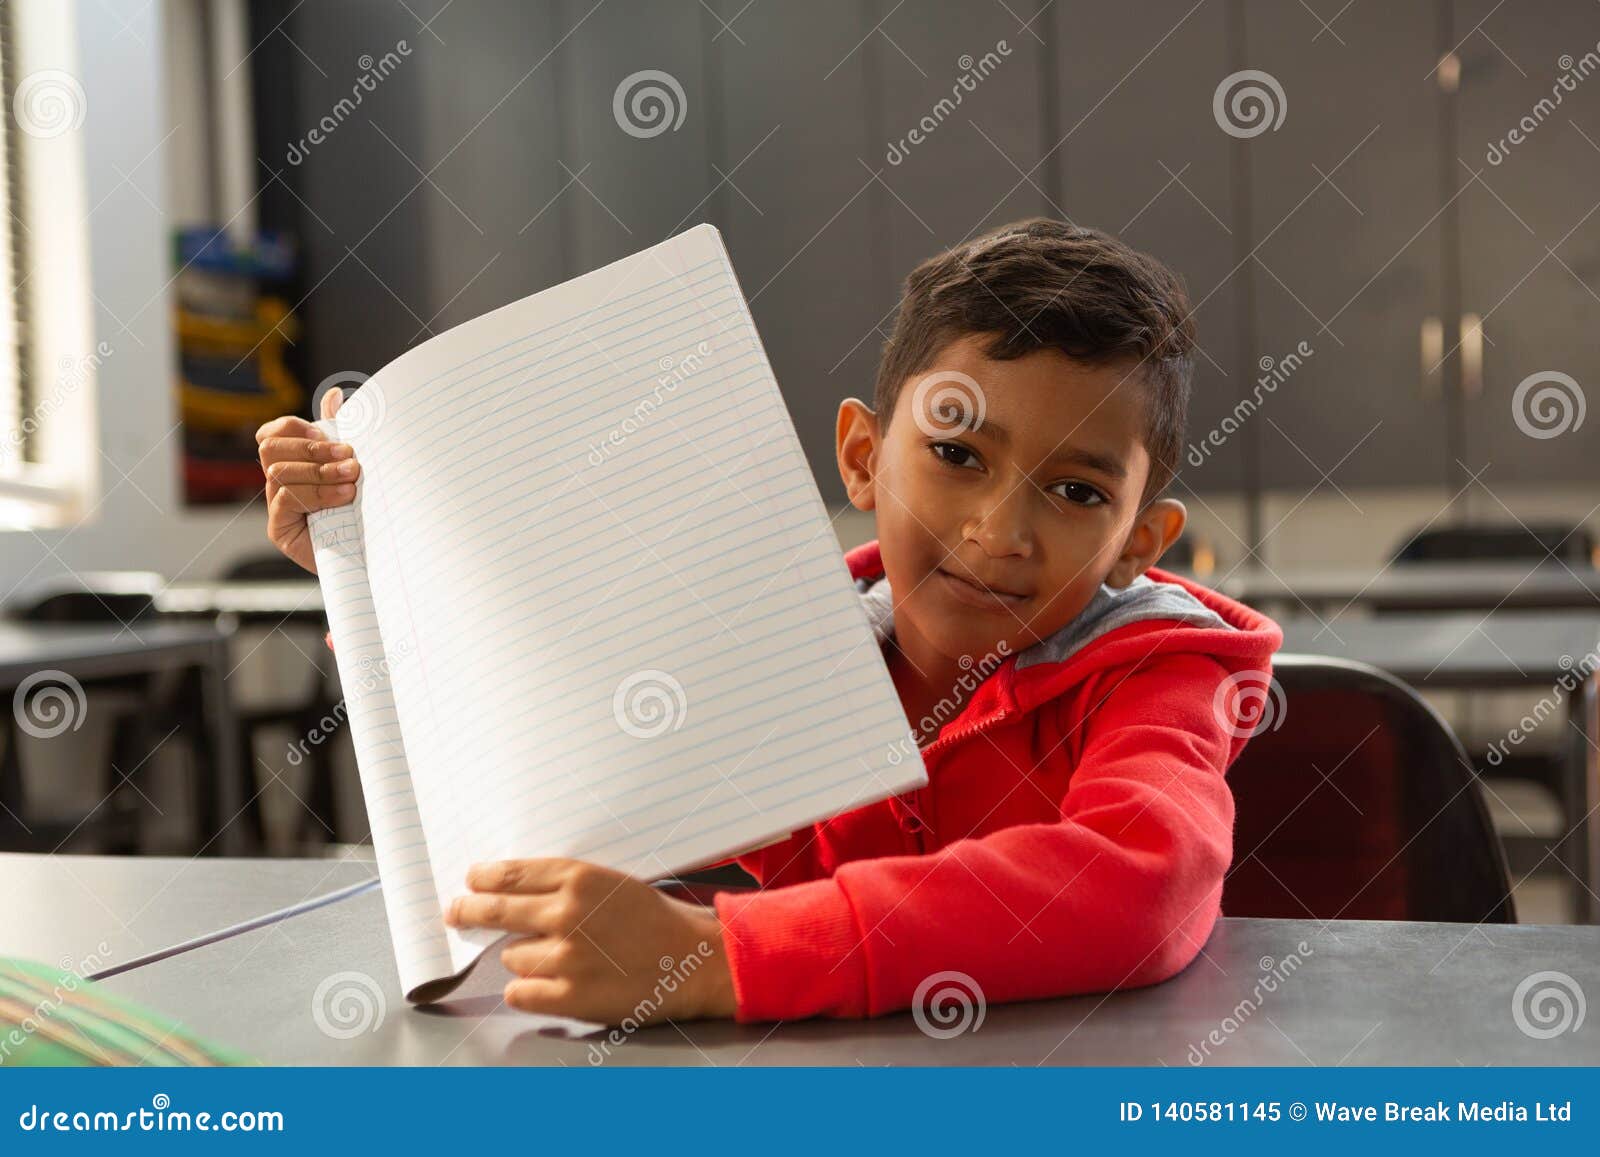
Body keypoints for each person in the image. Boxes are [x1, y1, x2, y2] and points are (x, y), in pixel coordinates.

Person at [255, 218, 1281, 1026]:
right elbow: (539, 738)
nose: (998, 529)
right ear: (863, 455)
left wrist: (715, 958)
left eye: (1075, 492)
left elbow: (1138, 886)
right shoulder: (785, 638)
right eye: (958, 455)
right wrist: (372, 574)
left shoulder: (1157, 673)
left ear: (1142, 541)